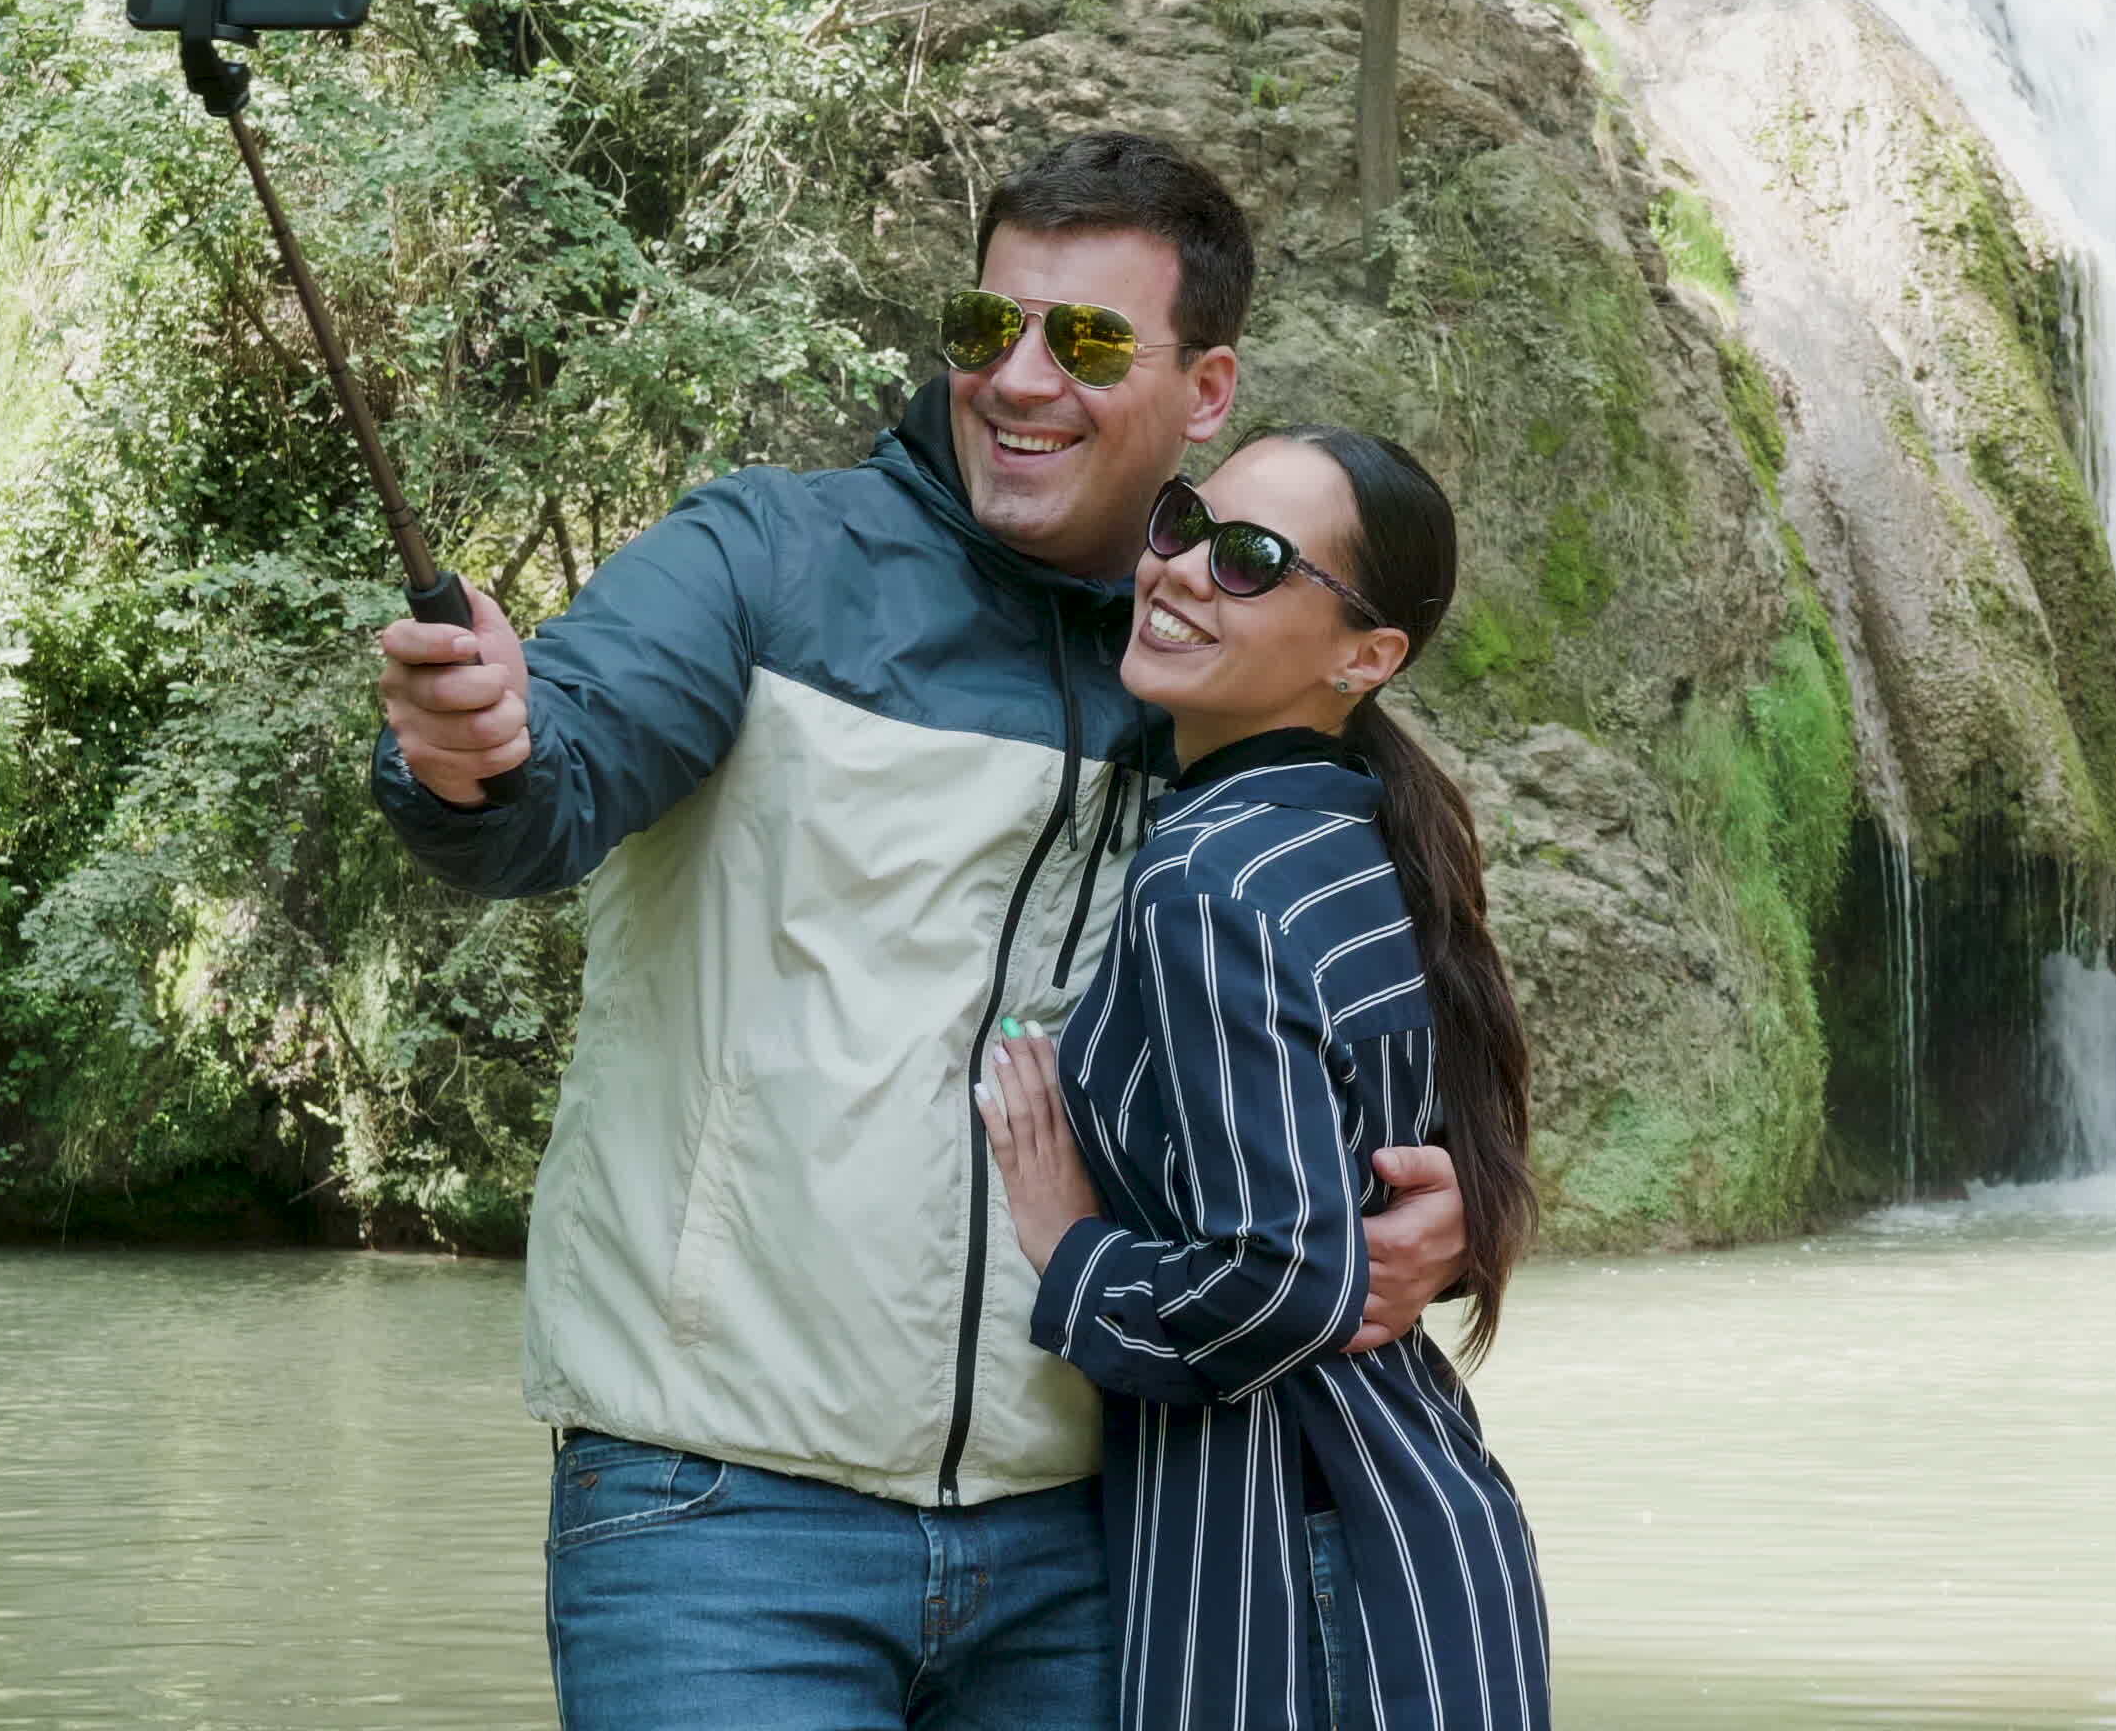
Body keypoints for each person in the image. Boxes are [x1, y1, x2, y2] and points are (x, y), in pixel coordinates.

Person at [370, 133, 1471, 1729]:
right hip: (723, 1516)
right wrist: (467, 749)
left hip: (1106, 1533)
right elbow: (557, 773)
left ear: (1207, 389)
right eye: (984, 329)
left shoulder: (1230, 663)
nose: (1018, 380)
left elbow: (1394, 1012)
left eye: (1086, 342)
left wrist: (1458, 1223)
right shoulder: (765, 561)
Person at [976, 427, 1553, 1731]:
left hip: (1293, 1588)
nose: (1180, 569)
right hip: (1416, 1552)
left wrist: (1069, 1250)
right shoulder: (1362, 831)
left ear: (1367, 657)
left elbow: (1280, 1285)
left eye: (1250, 561)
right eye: (1182, 522)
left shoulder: (1211, 876)